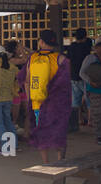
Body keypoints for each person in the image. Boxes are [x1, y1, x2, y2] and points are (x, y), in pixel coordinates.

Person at [28, 30, 71, 164]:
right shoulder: (61, 59)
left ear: (41, 42)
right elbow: (65, 83)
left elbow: (28, 80)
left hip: (38, 103)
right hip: (56, 105)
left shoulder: (33, 58)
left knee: (42, 133)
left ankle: (46, 163)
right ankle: (60, 160)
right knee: (59, 132)